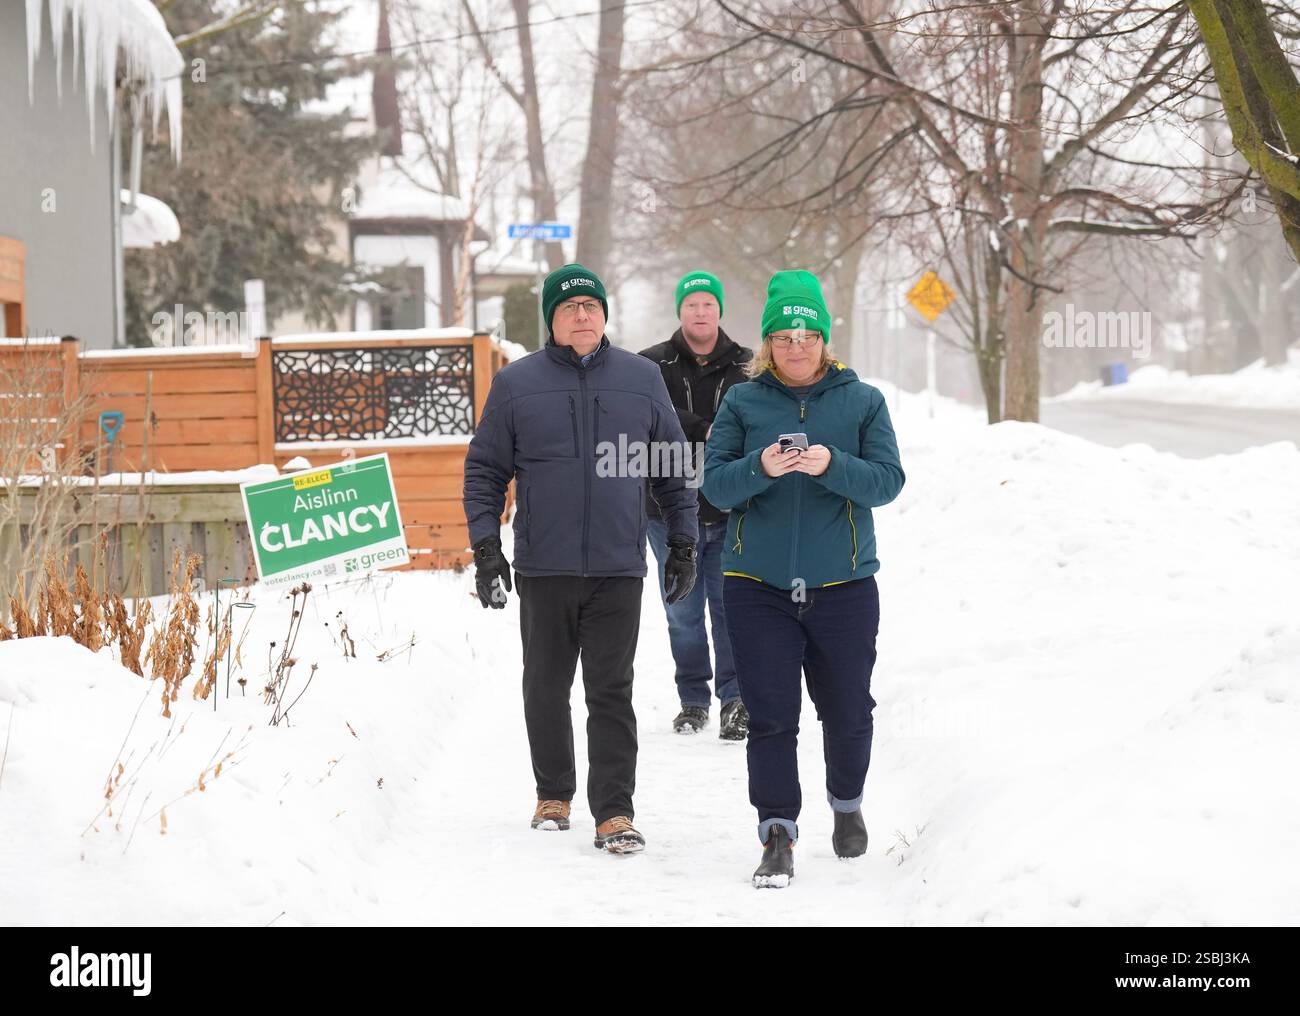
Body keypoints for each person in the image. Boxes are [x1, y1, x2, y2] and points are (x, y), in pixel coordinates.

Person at [462, 263, 699, 855]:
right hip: (545, 565)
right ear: (552, 319)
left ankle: (615, 811)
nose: (583, 315)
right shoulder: (517, 384)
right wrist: (487, 550)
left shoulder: (642, 379)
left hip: (618, 565)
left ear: (604, 316)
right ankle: (553, 794)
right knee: (545, 685)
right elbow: (486, 471)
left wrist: (684, 544)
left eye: (591, 306)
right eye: (570, 308)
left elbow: (672, 469)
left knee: (610, 691)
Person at [702, 269, 905, 888]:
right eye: (784, 334)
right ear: (768, 341)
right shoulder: (741, 401)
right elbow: (715, 485)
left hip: (843, 587)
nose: (796, 344)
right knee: (770, 717)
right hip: (755, 586)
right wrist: (761, 466)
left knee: (847, 712)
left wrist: (831, 463)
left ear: (824, 337)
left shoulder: (863, 401)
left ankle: (846, 804)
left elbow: (888, 482)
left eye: (807, 332)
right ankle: (778, 833)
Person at [638, 271, 753, 739]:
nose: (700, 312)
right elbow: (648, 413)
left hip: (731, 510)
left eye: (708, 304)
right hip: (666, 511)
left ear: (719, 310)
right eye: (692, 305)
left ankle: (734, 700)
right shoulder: (651, 365)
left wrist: (705, 429)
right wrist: (705, 427)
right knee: (682, 612)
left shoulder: (748, 365)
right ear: (679, 311)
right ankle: (692, 702)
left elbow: (754, 419)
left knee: (729, 609)